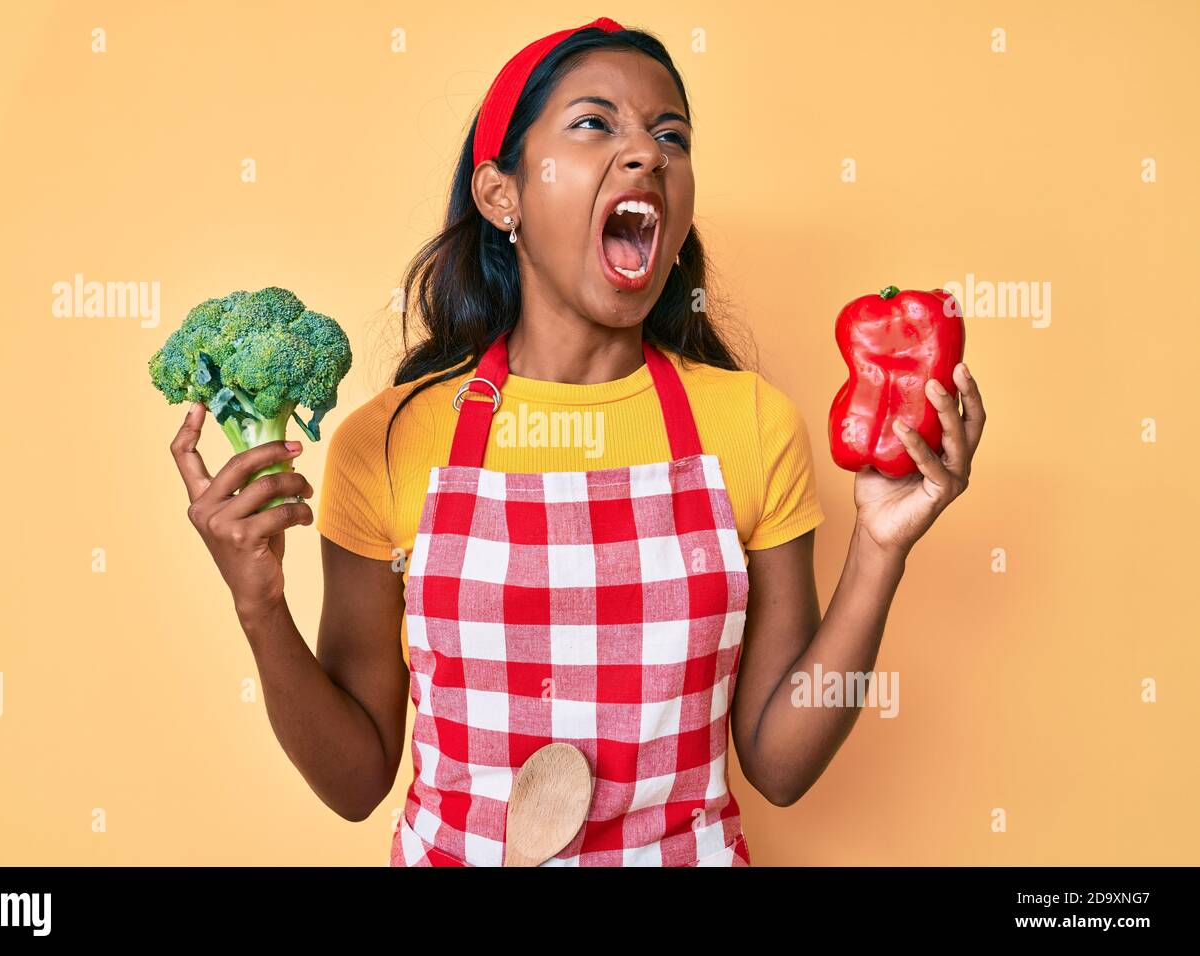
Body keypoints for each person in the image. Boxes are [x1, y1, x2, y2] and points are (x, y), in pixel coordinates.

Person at [169, 17, 985, 866]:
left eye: (671, 134)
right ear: (502, 195)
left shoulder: (750, 422)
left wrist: (881, 551)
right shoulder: (388, 439)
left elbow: (780, 766)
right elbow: (354, 780)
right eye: (596, 125)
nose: (648, 155)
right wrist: (260, 608)